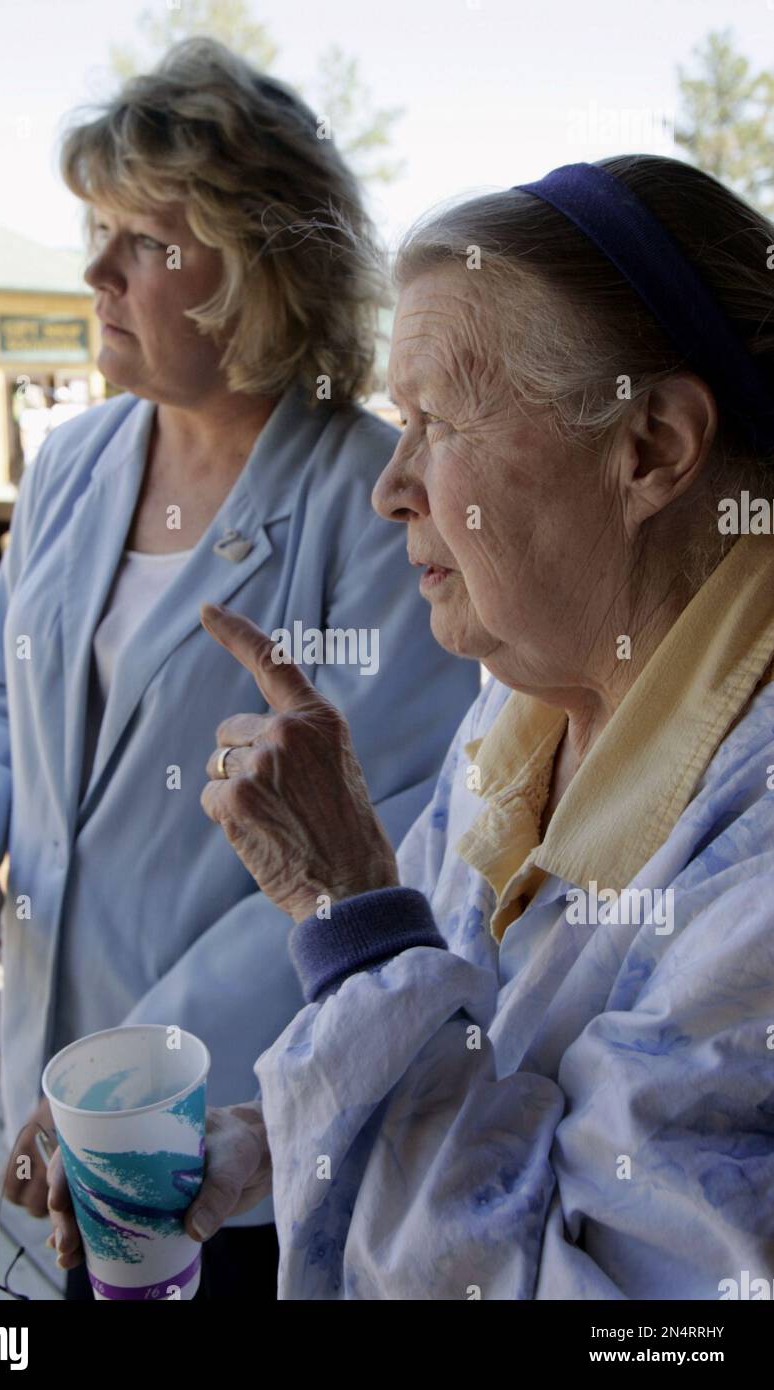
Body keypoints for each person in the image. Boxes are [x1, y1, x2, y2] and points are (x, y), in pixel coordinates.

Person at [50, 152, 774, 1299]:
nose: (393, 487)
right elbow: (470, 1074)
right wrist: (272, 1139)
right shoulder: (526, 707)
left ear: (652, 449)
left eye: (436, 421)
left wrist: (350, 918)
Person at [0, 38, 476, 1301]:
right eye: (96, 229)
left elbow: (392, 842)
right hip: (55, 1071)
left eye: (146, 241)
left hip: (237, 1121)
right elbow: (1, 685)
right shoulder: (71, 460)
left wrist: (143, 1067)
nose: (94, 271)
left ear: (260, 269)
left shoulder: (373, 503)